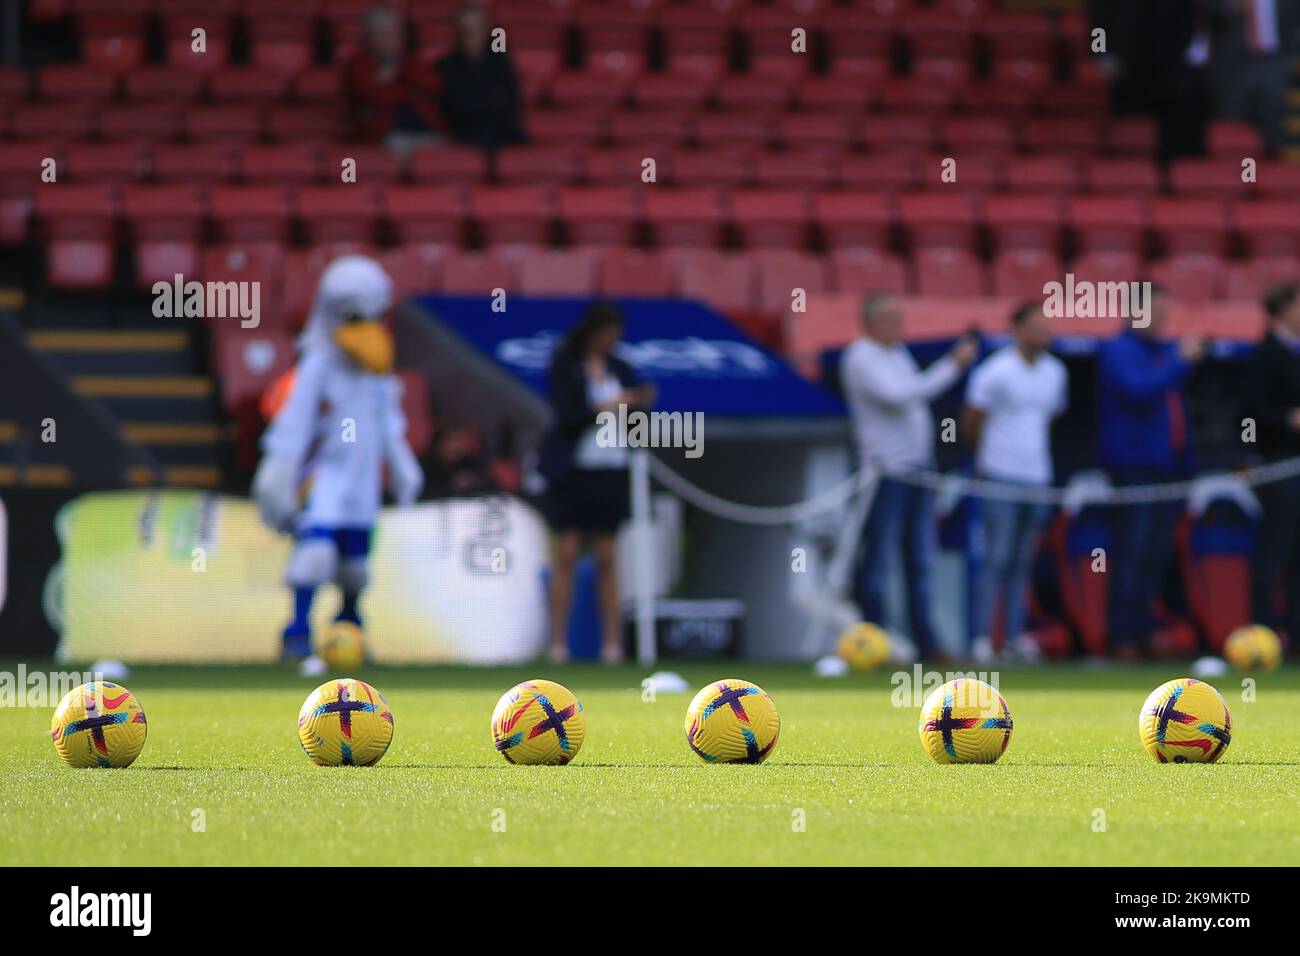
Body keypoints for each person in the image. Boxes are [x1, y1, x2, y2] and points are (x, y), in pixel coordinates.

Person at [253, 256, 424, 660]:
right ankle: (297, 632)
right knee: (314, 555)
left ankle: (351, 627)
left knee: (355, 566)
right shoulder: (318, 366)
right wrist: (277, 474)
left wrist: (403, 467)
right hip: (327, 476)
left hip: (364, 481)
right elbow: (293, 427)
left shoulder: (377, 372)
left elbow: (388, 426)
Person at [840, 293, 978, 659]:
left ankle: (925, 643)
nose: (899, 325)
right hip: (886, 473)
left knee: (920, 560)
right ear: (870, 322)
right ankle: (874, 642)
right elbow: (901, 395)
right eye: (891, 317)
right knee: (879, 560)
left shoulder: (896, 352)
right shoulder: (860, 356)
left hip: (917, 471)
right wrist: (952, 365)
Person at [538, 302, 656, 665]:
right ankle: (558, 643)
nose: (610, 340)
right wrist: (603, 408)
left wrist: (637, 402)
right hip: (573, 470)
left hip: (611, 469)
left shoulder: (621, 367)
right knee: (567, 553)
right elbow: (565, 415)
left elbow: (639, 415)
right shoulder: (566, 364)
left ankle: (611, 644)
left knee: (607, 556)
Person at [1097, 284, 1206, 659]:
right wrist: (1181, 362)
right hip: (1135, 466)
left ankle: (1144, 633)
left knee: (1157, 555)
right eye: (1154, 313)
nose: (1161, 320)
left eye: (1163, 313)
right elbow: (1140, 391)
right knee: (1132, 551)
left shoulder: (1162, 351)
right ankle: (1121, 638)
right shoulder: (1118, 350)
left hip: (1169, 466)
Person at [962, 303, 1068, 663]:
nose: (1044, 334)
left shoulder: (1056, 372)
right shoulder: (996, 371)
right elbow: (971, 418)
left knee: (1023, 561)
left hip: (1037, 477)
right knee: (996, 558)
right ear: (1018, 330)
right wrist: (987, 459)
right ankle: (980, 638)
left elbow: (1050, 418)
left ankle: (1013, 638)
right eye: (1036, 327)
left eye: (1046, 327)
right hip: (999, 475)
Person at [1244, 282, 1300, 643]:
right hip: (1279, 463)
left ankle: (1295, 632)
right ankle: (1262, 631)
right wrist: (1286, 420)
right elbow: (1248, 418)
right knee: (1274, 548)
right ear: (1284, 309)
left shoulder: (1295, 352)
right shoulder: (1264, 354)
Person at [344, 7, 445, 150]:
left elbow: (434, 84)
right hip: (384, 134)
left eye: (397, 33)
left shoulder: (407, 60)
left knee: (448, 153)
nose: (397, 38)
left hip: (425, 130)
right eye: (387, 34)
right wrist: (408, 90)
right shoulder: (359, 63)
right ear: (371, 38)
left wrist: (395, 77)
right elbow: (374, 97)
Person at [1206, 0, 1300, 154]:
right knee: (1231, 114)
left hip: (1276, 58)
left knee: (1274, 108)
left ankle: (1273, 153)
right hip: (1235, 61)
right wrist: (1230, 6)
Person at [435, 3, 527, 149]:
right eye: (466, 29)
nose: (472, 33)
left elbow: (509, 106)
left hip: (503, 138)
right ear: (457, 32)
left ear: (487, 29)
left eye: (477, 27)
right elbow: (453, 109)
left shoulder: (501, 63)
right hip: (462, 139)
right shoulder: (444, 66)